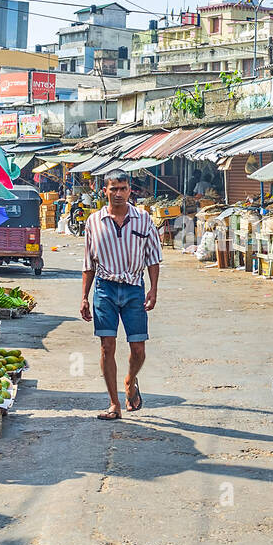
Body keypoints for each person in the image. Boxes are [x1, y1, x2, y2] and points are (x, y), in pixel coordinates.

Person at [80, 170, 161, 420]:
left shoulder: (144, 219)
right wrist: (84, 296)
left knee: (138, 349)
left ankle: (130, 380)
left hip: (134, 289)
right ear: (104, 191)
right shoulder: (93, 221)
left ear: (129, 190)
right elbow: (88, 264)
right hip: (105, 288)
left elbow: (154, 258)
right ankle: (114, 403)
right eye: (113, 189)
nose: (117, 193)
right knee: (107, 347)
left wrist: (153, 288)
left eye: (122, 188)